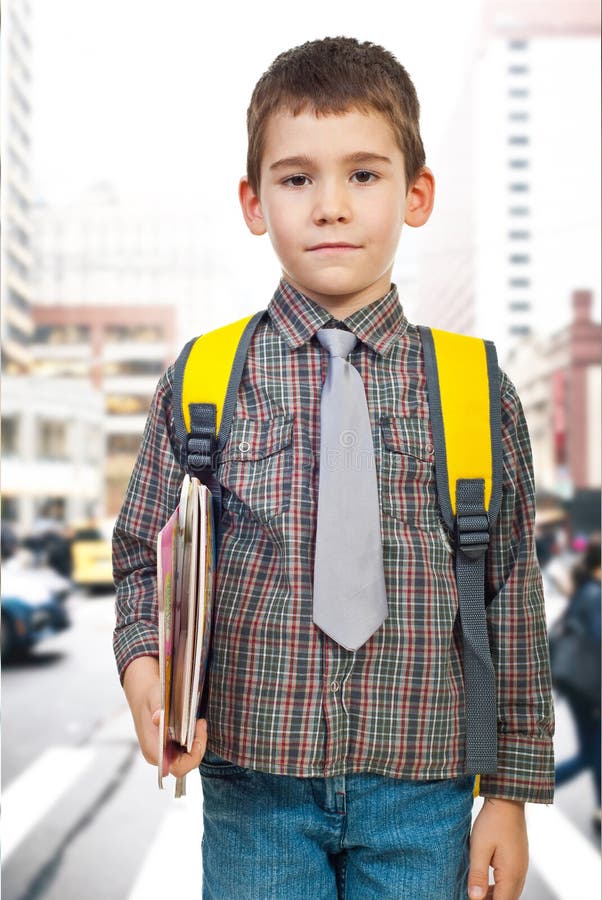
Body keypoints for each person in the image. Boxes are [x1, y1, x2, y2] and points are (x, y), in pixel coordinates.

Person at [113, 37, 555, 899]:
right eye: (295, 178)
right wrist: (146, 676)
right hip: (254, 787)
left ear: (416, 194)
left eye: (363, 174)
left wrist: (509, 792)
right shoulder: (205, 377)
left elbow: (512, 590)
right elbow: (141, 560)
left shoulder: (472, 386)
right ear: (253, 201)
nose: (329, 207)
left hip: (425, 791)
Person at [553, 536, 601, 831]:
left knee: (593, 749)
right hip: (590, 687)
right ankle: (535, 784)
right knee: (591, 753)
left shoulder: (586, 589)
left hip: (578, 685)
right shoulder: (595, 595)